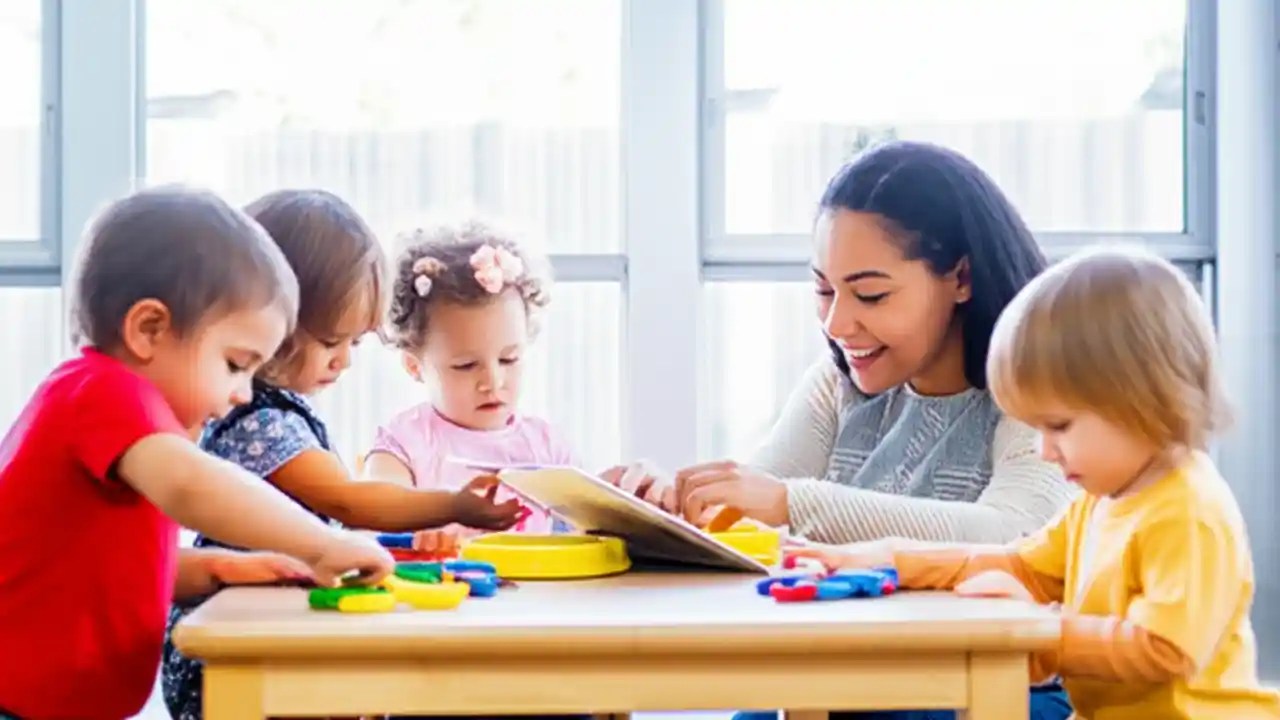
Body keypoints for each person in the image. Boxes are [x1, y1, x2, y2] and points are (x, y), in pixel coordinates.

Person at [608, 141, 1075, 719]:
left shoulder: (1034, 389)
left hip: (1000, 682)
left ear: (961, 277)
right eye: (824, 290)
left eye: (871, 294)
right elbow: (756, 510)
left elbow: (1016, 534)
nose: (837, 323)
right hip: (850, 673)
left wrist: (788, 502)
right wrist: (670, 506)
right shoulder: (838, 383)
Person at [792, 247, 1280, 719]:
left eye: (1059, 426)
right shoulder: (1101, 501)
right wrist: (884, 558)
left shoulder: (1187, 511)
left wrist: (1042, 631)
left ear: (1145, 400)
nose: (1045, 450)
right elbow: (1019, 564)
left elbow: (1164, 649)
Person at [0, 186, 394, 720]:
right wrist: (323, 544)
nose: (245, 393)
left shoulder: (119, 423)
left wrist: (213, 568)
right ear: (149, 329)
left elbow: (95, 571)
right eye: (236, 364)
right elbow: (192, 485)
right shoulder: (103, 392)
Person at [160, 191, 525, 720]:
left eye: (355, 342)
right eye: (332, 340)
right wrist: (452, 505)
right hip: (235, 647)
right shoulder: (256, 418)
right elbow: (349, 502)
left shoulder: (283, 409)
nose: (345, 361)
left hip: (276, 624)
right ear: (273, 321)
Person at [361, 219, 580, 547]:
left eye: (509, 359)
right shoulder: (406, 444)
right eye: (465, 366)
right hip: (445, 595)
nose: (493, 381)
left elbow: (591, 531)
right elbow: (375, 514)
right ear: (413, 365)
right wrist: (417, 526)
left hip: (539, 597)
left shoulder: (548, 446)